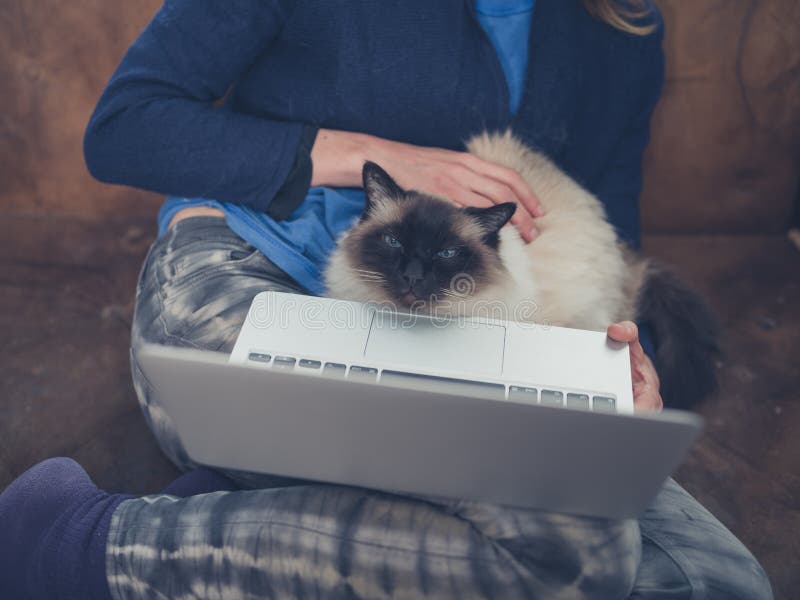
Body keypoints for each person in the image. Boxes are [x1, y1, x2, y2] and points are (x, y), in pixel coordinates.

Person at [0, 1, 773, 598]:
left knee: (714, 580)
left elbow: (609, 226)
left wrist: (613, 367)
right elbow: (126, 127)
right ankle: (69, 539)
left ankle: (272, 505)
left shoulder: (623, 24)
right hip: (256, 266)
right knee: (576, 556)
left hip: (462, 323)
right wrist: (377, 157)